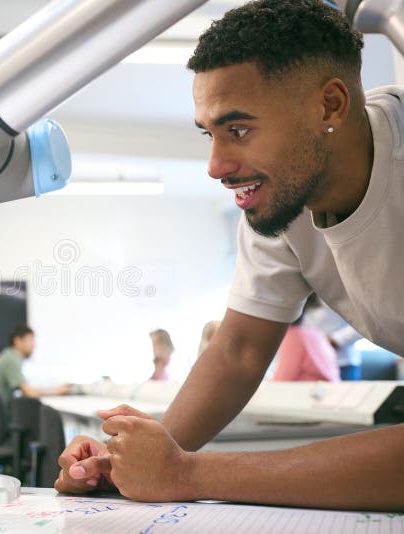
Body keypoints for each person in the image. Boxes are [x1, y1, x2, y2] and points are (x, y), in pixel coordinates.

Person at [54, 0, 403, 512]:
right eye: (209, 134)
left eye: (237, 130)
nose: (215, 165)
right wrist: (131, 466)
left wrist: (186, 472)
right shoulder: (281, 200)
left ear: (330, 106)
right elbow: (238, 348)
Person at [0, 325, 70, 438]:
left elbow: (26, 388)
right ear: (18, 341)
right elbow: (28, 392)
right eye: (30, 340)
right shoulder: (11, 359)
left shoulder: (8, 356)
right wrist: (57, 391)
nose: (34, 345)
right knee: (35, 422)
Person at [302, 295, 364, 380]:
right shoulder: (302, 295)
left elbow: (363, 325)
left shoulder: (340, 291)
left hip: (342, 363)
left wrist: (335, 340)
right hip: (311, 365)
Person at [272, 316, 340, 382]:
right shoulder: (312, 332)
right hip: (329, 386)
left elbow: (284, 376)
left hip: (311, 388)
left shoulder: (293, 336)